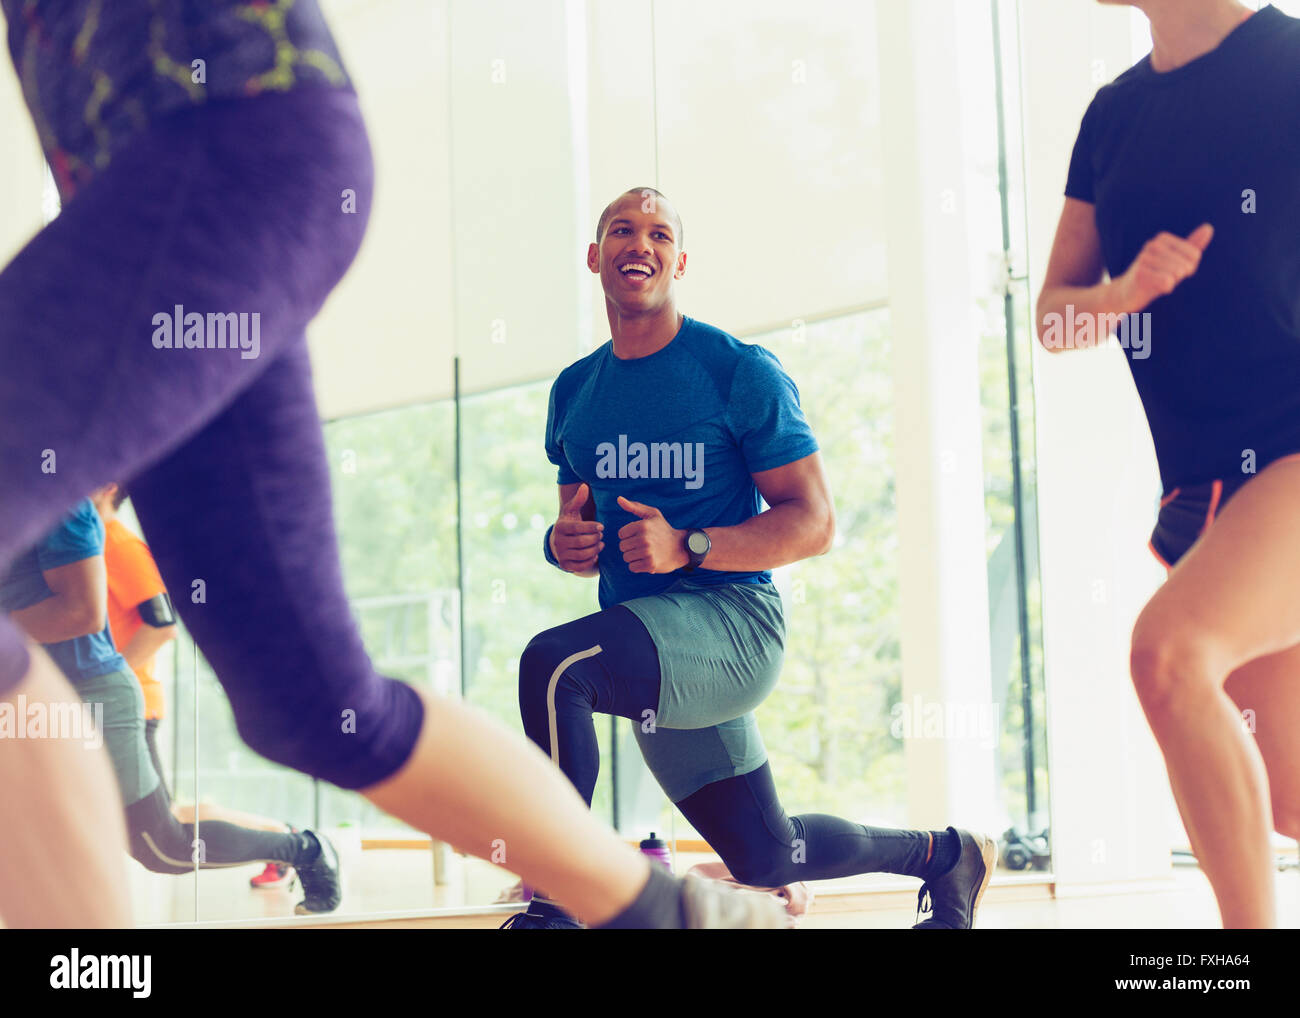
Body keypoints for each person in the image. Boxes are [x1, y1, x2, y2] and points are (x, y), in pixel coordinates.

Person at [0, 0, 783, 929]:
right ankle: (662, 912)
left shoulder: (727, 369)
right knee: (306, 699)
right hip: (205, 190)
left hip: (221, 149)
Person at [504, 187, 997, 930]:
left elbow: (816, 523)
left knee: (554, 666)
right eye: (622, 230)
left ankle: (558, 901)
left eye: (660, 233)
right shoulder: (575, 392)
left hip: (731, 628)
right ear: (594, 255)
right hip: (652, 639)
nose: (641, 243)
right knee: (769, 855)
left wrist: (690, 545)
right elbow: (575, 524)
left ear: (680, 260)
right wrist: (560, 543)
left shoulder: (736, 370)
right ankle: (946, 855)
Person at [1037, 0, 1300, 928]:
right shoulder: (1113, 116)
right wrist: (1125, 290)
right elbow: (1056, 320)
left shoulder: (1291, 59)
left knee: (1171, 653)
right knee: (1291, 798)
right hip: (1203, 485)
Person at [1, 499, 343, 912]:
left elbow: (88, 613)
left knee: (162, 846)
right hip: (26, 696)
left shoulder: (65, 509)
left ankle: (305, 850)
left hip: (93, 695)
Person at [90, 482, 299, 892]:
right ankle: (281, 837)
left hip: (132, 705)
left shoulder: (118, 544)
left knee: (162, 827)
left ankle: (285, 842)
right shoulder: (94, 542)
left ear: (109, 486)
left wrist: (108, 675)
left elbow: (162, 625)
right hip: (113, 704)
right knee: (163, 818)